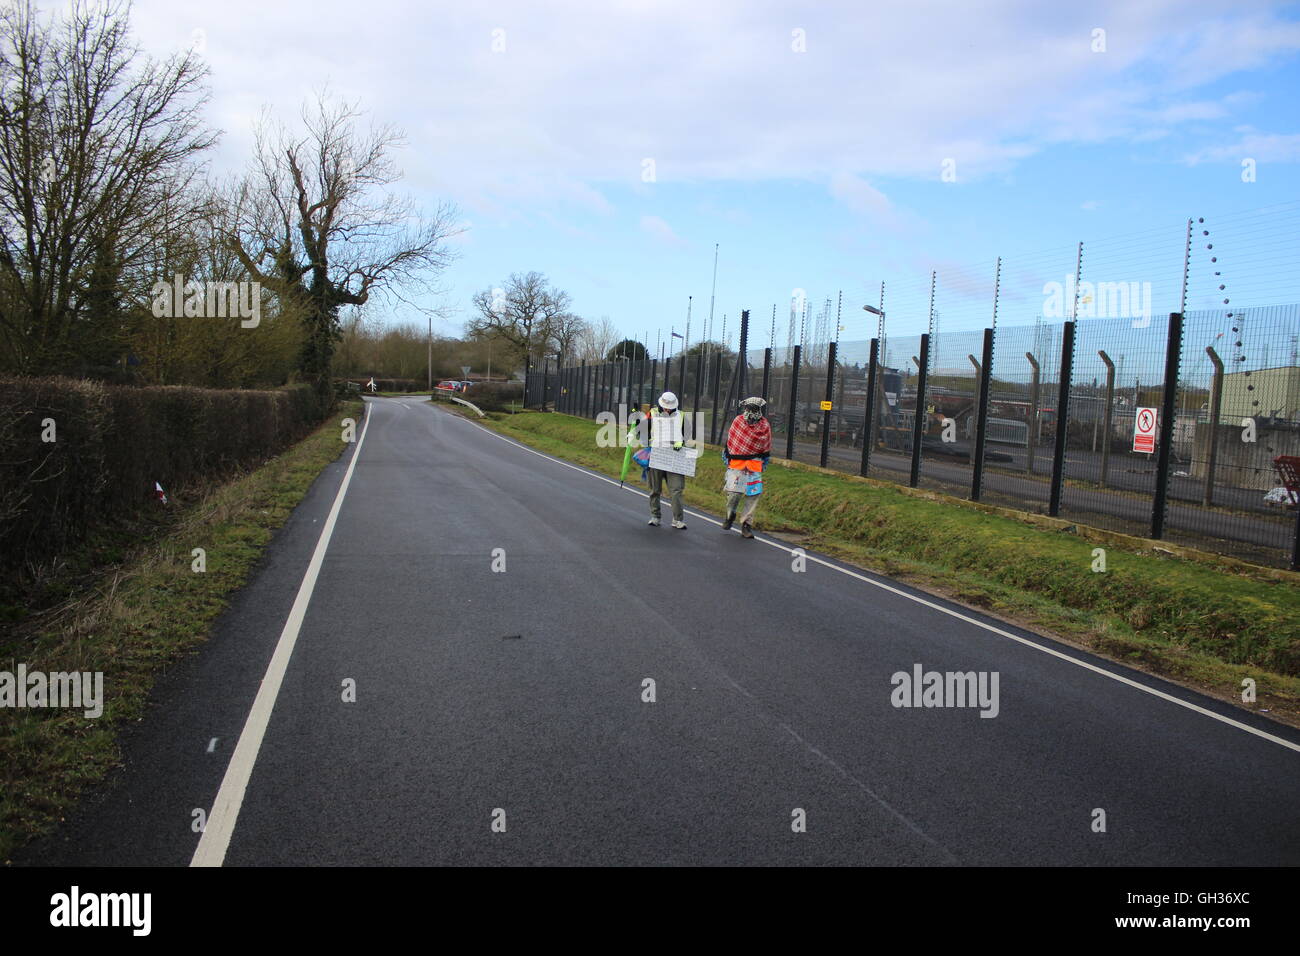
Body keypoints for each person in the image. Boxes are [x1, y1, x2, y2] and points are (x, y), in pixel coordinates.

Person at [722, 397, 772, 539]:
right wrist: (728, 457)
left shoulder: (764, 425)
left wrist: (764, 461)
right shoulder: (738, 421)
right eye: (749, 408)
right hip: (737, 464)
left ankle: (746, 525)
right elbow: (731, 441)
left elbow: (766, 446)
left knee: (753, 495)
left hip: (754, 465)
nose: (751, 412)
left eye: (755, 409)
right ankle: (730, 515)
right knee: (734, 494)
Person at [645, 391, 688, 529]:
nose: (667, 409)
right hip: (657, 456)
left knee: (676, 490)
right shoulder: (652, 413)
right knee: (654, 489)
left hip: (674, 458)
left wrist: (680, 442)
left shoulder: (681, 416)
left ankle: (678, 519)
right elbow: (643, 431)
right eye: (665, 406)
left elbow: (687, 435)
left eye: (670, 407)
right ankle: (655, 516)